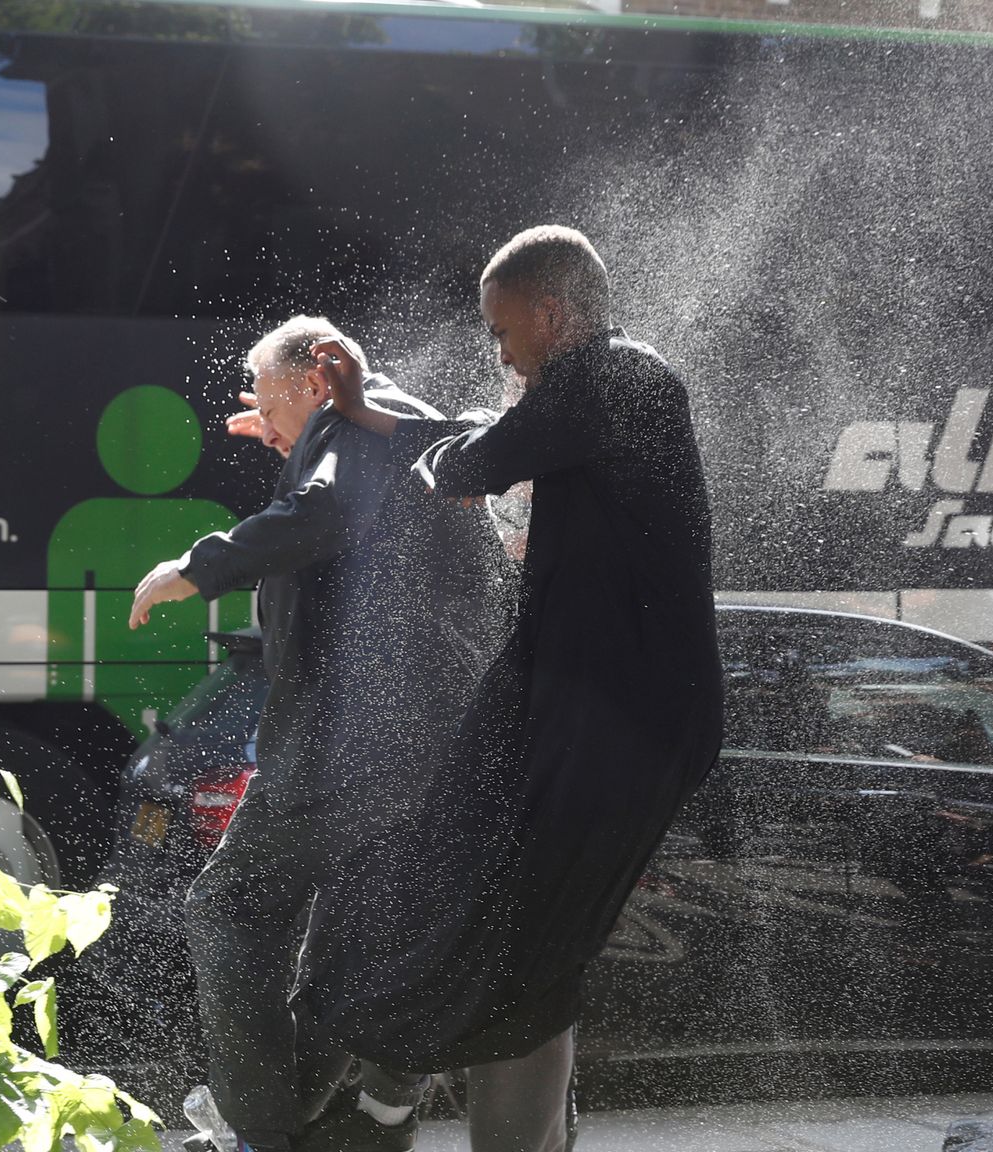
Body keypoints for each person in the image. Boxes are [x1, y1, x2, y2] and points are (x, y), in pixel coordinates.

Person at [306, 226, 724, 1152]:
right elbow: (482, 443)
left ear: (549, 312)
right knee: (467, 901)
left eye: (501, 332)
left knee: (527, 950)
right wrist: (368, 413)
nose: (499, 354)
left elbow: (478, 458)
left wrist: (444, 467)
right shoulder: (587, 392)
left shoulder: (618, 376)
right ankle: (392, 1090)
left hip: (630, 724)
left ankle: (414, 1113)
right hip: (579, 708)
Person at [127, 316, 511, 1152]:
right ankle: (299, 1125)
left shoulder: (350, 427)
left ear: (316, 379)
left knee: (225, 909)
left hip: (354, 745)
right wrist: (290, 431)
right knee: (336, 959)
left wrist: (196, 567)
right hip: (423, 746)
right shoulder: (391, 424)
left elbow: (322, 509)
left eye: (271, 405)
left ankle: (263, 1132)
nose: (264, 424)